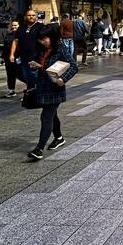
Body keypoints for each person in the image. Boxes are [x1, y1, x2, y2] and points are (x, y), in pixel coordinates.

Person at [24, 27, 76, 161]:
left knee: (46, 117)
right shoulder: (42, 49)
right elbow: (44, 66)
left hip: (55, 89)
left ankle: (39, 149)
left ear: (52, 38)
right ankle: (59, 138)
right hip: (42, 87)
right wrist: (36, 66)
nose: (42, 42)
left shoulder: (60, 49)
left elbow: (74, 66)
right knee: (52, 116)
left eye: (45, 39)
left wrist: (63, 79)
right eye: (40, 40)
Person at [15, 7, 43, 75]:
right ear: (25, 17)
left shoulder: (41, 27)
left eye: (33, 15)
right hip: (24, 58)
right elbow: (16, 41)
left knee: (35, 77)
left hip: (36, 57)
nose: (31, 17)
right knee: (26, 77)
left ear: (36, 17)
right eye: (29, 15)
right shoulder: (21, 28)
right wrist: (12, 54)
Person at [3, 20, 22, 97]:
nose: (14, 27)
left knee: (21, 74)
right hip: (8, 58)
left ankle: (30, 89)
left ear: (19, 26)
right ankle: (11, 90)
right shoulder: (9, 34)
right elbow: (5, 46)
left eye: (15, 25)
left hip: (18, 57)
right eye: (13, 25)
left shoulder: (22, 35)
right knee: (10, 74)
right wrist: (2, 57)